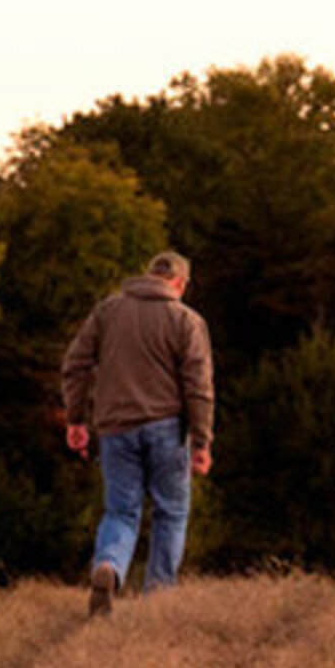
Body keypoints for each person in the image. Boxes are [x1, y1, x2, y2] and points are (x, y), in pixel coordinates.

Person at [59, 249, 213, 614]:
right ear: (179, 282)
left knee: (121, 511)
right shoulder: (185, 320)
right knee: (171, 511)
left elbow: (75, 364)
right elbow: (199, 387)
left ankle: (109, 566)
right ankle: (158, 599)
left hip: (115, 428)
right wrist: (202, 440)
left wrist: (76, 419)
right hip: (167, 428)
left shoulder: (107, 312)